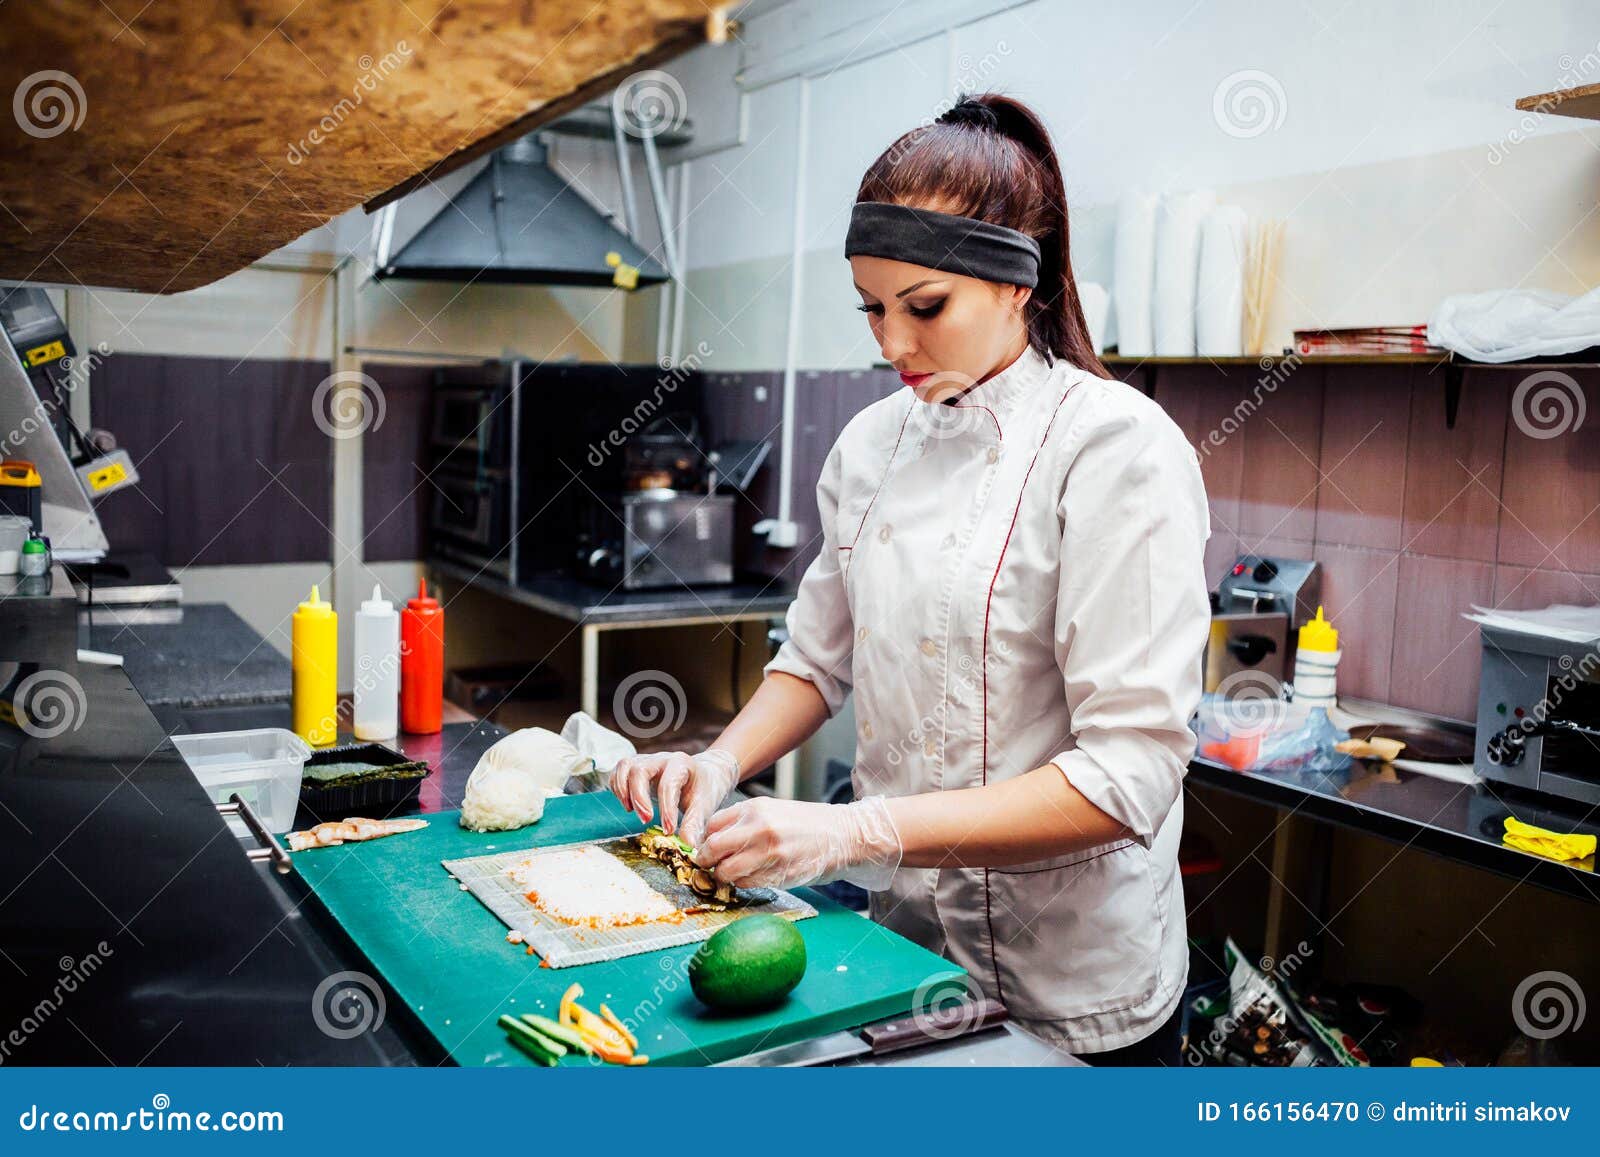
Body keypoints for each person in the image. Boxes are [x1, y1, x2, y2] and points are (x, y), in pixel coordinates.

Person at [610, 93, 1210, 1065]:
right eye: (874, 309)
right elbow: (813, 657)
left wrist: (853, 830)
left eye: (923, 307)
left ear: (1020, 281)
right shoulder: (871, 446)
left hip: (1077, 987)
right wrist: (716, 766)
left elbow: (1127, 775)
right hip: (903, 958)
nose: (891, 345)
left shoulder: (1113, 449)